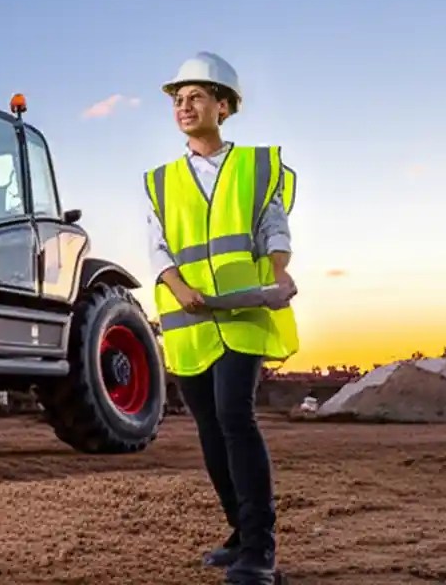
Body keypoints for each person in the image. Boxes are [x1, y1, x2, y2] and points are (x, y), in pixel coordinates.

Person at [142, 52, 300, 585]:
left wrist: (279, 274)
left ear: (224, 106)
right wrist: (180, 288)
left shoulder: (257, 167)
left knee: (236, 416)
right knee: (210, 428)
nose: (185, 107)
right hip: (187, 319)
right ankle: (239, 533)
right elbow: (157, 247)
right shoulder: (159, 180)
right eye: (178, 100)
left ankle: (261, 550)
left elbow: (273, 229)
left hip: (242, 311)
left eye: (197, 98)